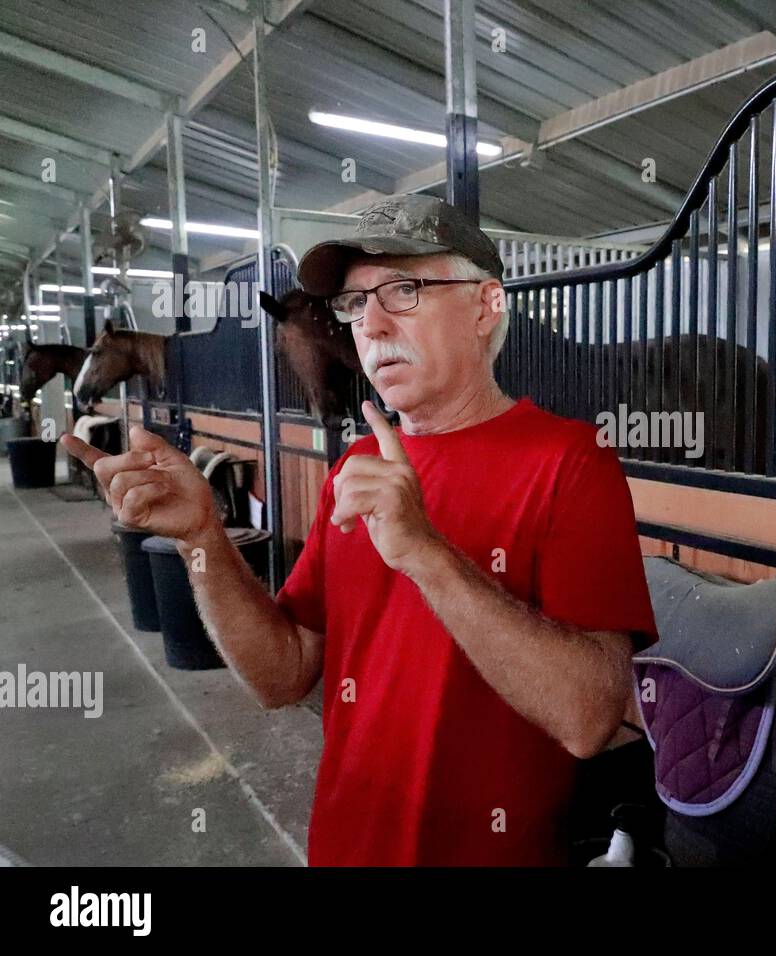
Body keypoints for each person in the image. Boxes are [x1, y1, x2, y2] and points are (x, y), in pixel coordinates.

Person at [64, 195, 657, 866]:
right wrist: (202, 538)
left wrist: (425, 553)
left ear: (486, 305)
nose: (369, 325)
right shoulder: (358, 464)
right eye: (353, 303)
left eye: (404, 289)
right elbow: (283, 675)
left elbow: (587, 717)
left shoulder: (570, 463)